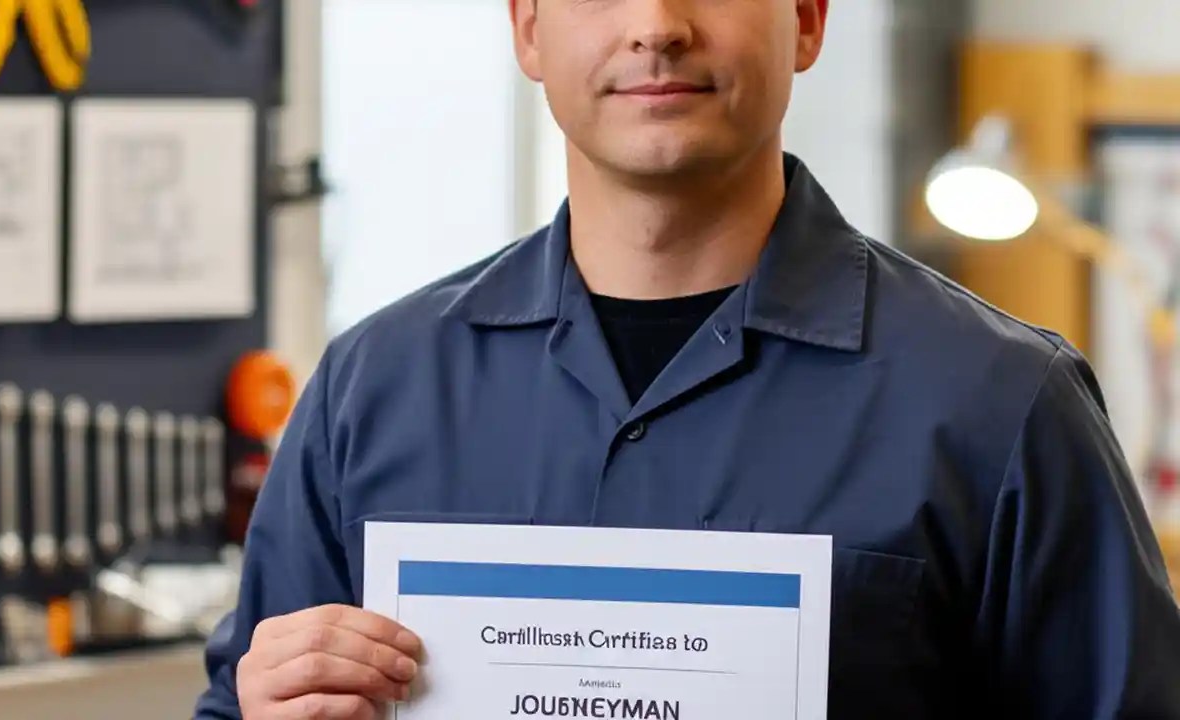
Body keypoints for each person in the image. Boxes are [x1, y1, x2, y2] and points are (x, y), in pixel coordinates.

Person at [195, 0, 1180, 717]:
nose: (655, 24)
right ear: (527, 30)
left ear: (803, 20)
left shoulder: (999, 405)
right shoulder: (374, 390)